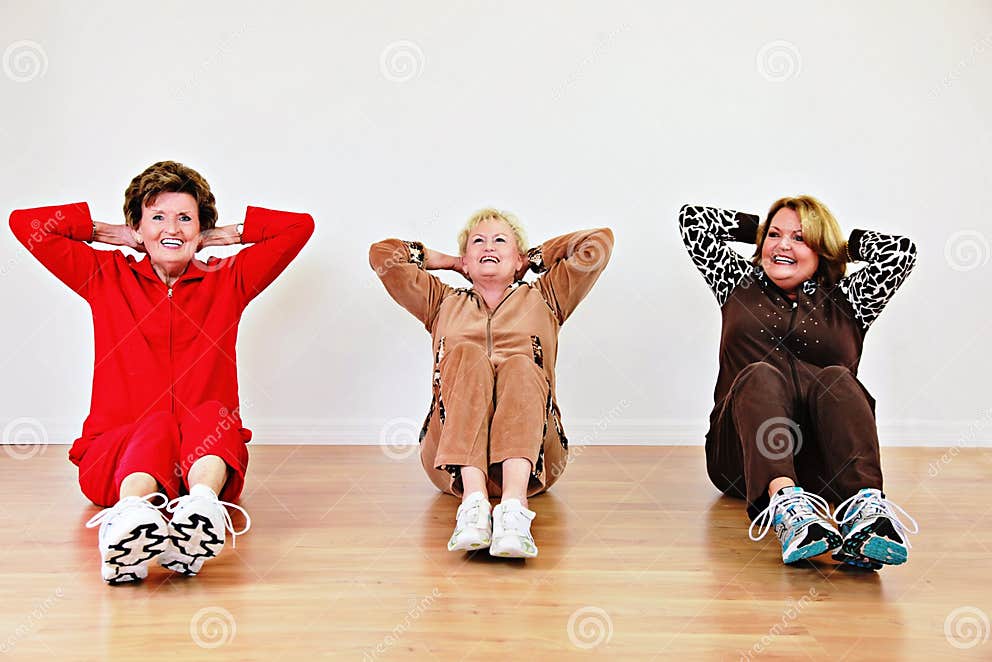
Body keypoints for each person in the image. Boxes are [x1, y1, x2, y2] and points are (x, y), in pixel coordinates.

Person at [9, 161, 314, 584]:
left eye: (185, 218)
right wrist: (106, 232)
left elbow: (300, 227)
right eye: (157, 217)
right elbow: (27, 224)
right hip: (113, 460)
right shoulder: (104, 275)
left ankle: (200, 515)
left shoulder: (229, 279)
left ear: (201, 230)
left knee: (214, 414)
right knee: (155, 425)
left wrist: (228, 235)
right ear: (137, 228)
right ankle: (129, 521)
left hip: (201, 466)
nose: (172, 228)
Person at [679, 196, 918, 568]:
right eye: (774, 235)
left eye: (801, 238)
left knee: (838, 379)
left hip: (821, 464)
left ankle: (867, 515)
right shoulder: (736, 283)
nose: (783, 246)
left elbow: (901, 252)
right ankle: (787, 507)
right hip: (740, 456)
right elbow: (693, 220)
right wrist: (760, 230)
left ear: (821, 249)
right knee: (759, 373)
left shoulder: (850, 300)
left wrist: (836, 244)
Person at [370, 209, 613, 558]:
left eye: (501, 240)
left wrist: (536, 258)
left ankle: (514, 509)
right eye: (478, 242)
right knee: (468, 357)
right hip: (449, 466)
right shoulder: (441, 303)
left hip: (536, 462)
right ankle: (473, 505)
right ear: (467, 262)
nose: (489, 246)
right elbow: (383, 256)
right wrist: (447, 261)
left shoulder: (546, 296)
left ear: (518, 258)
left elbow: (598, 244)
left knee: (519, 365)